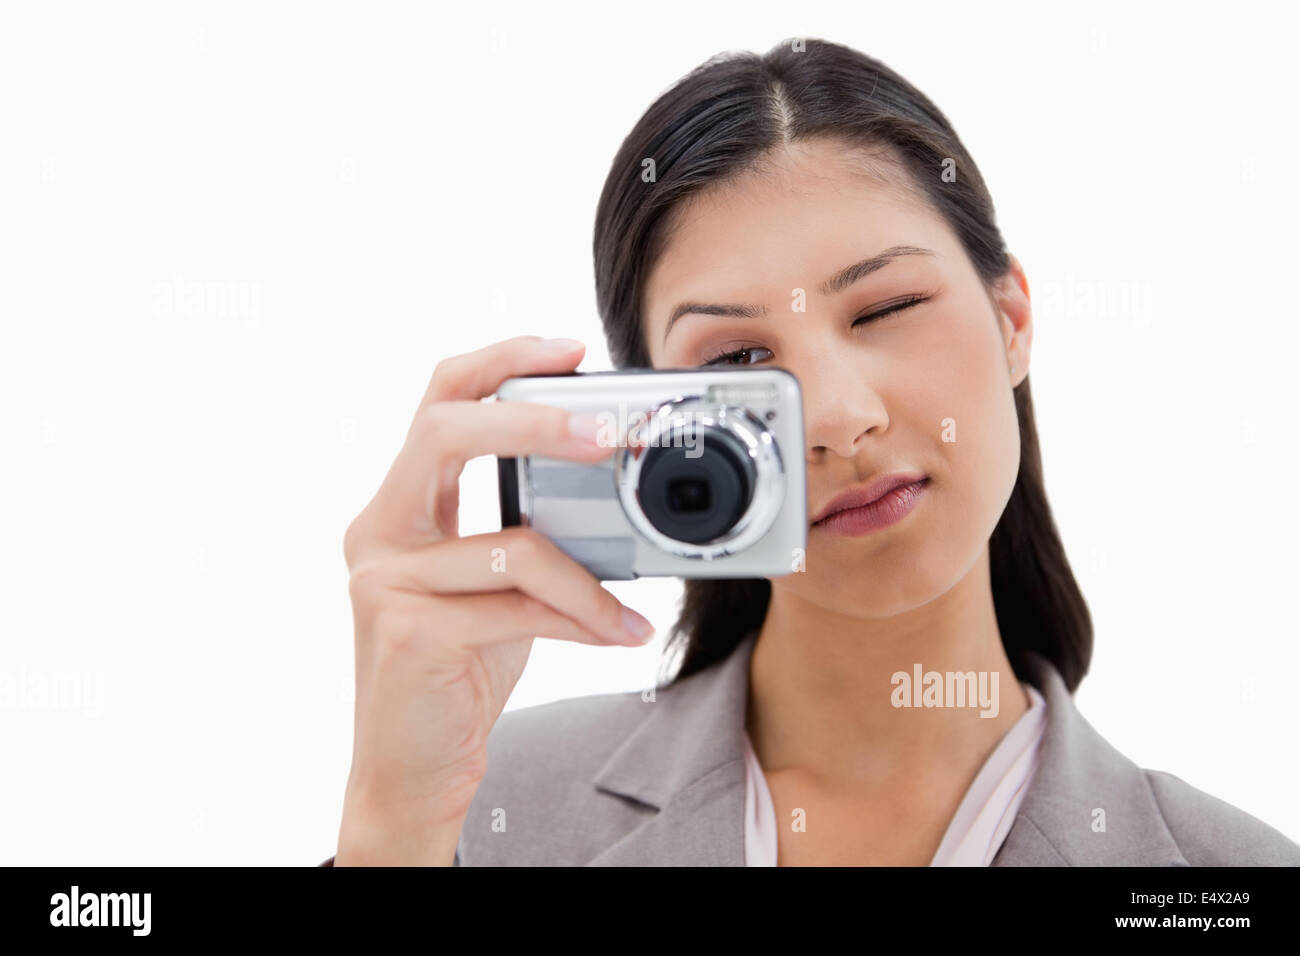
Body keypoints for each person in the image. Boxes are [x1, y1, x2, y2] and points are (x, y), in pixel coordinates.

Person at [324, 38, 1300, 866]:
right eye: (740, 358)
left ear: (1011, 319)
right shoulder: (485, 817)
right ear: (656, 415)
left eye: (885, 307)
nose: (834, 415)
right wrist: (391, 823)